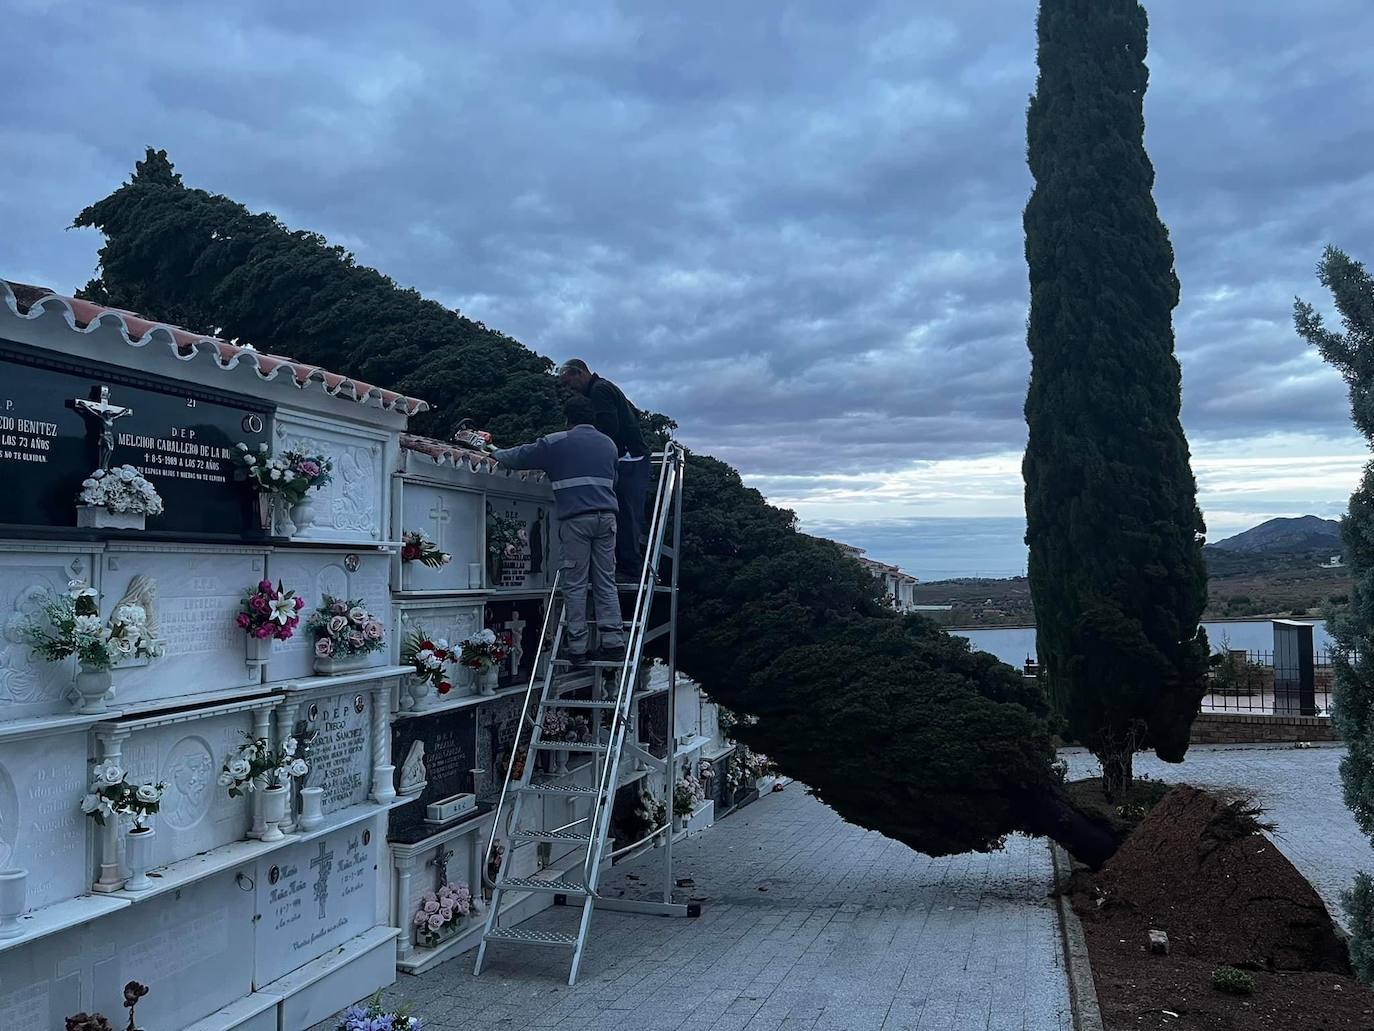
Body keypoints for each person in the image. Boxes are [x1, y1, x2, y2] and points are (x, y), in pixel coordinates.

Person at [490, 397, 625, 665]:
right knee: (605, 580)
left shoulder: (556, 442)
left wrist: (493, 450)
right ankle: (613, 641)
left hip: (576, 520)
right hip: (607, 518)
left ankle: (577, 647)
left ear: (568, 419)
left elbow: (518, 457)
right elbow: (615, 479)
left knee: (574, 582)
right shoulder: (608, 444)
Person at [557, 358, 650, 581]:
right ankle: (626, 564)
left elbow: (609, 427)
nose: (571, 389)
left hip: (628, 457)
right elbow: (633, 413)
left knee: (625, 512)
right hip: (632, 454)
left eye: (570, 383)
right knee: (626, 512)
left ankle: (629, 568)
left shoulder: (599, 391)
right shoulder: (605, 387)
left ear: (579, 373)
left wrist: (595, 452)